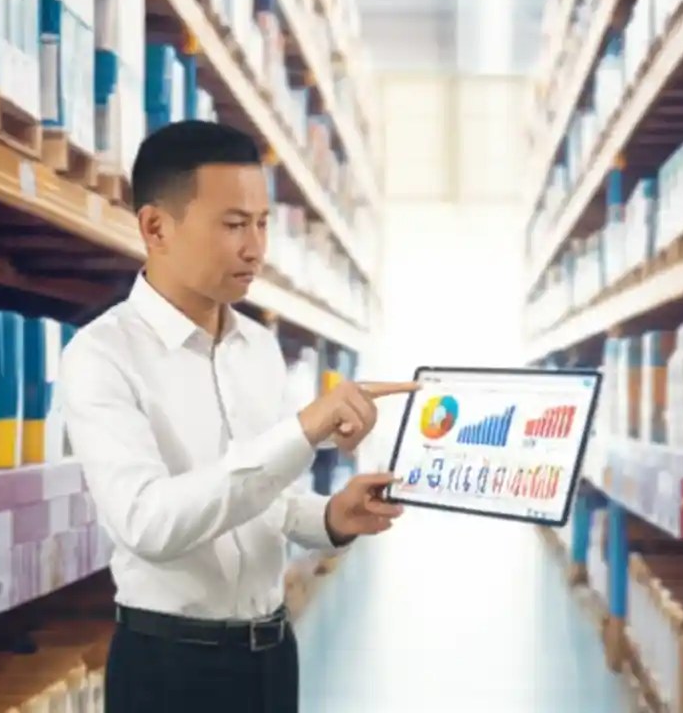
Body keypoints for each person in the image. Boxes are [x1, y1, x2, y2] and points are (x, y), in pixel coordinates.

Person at [58, 120, 417, 713]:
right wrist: (302, 431)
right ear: (156, 227)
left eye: (261, 223)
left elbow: (265, 505)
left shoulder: (258, 347)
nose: (255, 247)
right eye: (232, 225)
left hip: (272, 657)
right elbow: (148, 523)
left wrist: (330, 516)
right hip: (169, 672)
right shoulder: (101, 356)